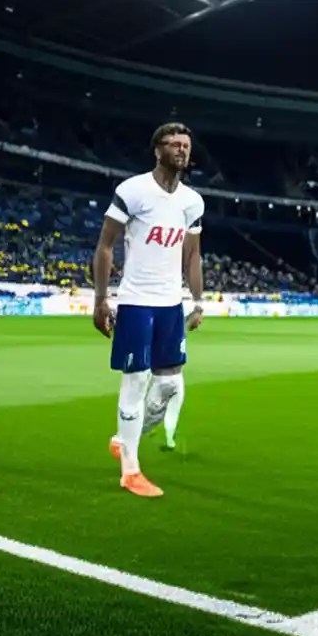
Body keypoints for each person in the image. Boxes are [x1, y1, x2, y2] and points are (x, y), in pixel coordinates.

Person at [93, 123, 206, 498]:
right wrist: (101, 299)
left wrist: (198, 300)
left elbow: (192, 255)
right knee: (136, 382)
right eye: (173, 144)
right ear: (157, 150)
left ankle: (124, 439)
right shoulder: (133, 191)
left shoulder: (192, 202)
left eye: (186, 145)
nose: (181, 150)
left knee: (170, 385)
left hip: (170, 304)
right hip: (137, 302)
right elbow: (106, 246)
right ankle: (130, 470)